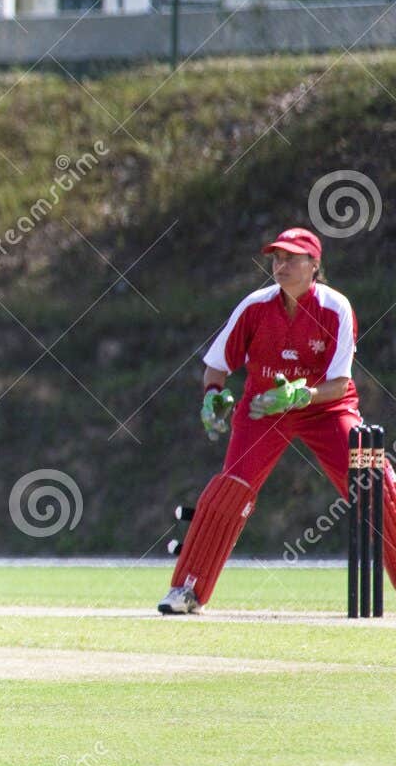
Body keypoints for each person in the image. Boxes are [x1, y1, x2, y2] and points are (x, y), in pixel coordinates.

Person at [160, 226, 396, 614]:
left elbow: (339, 384)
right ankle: (187, 590)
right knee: (229, 490)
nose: (281, 265)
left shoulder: (335, 308)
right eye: (277, 258)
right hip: (264, 407)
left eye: (291, 259)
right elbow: (216, 367)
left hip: (326, 407)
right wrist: (212, 397)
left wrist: (302, 395)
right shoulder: (255, 306)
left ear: (314, 264)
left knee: (374, 485)